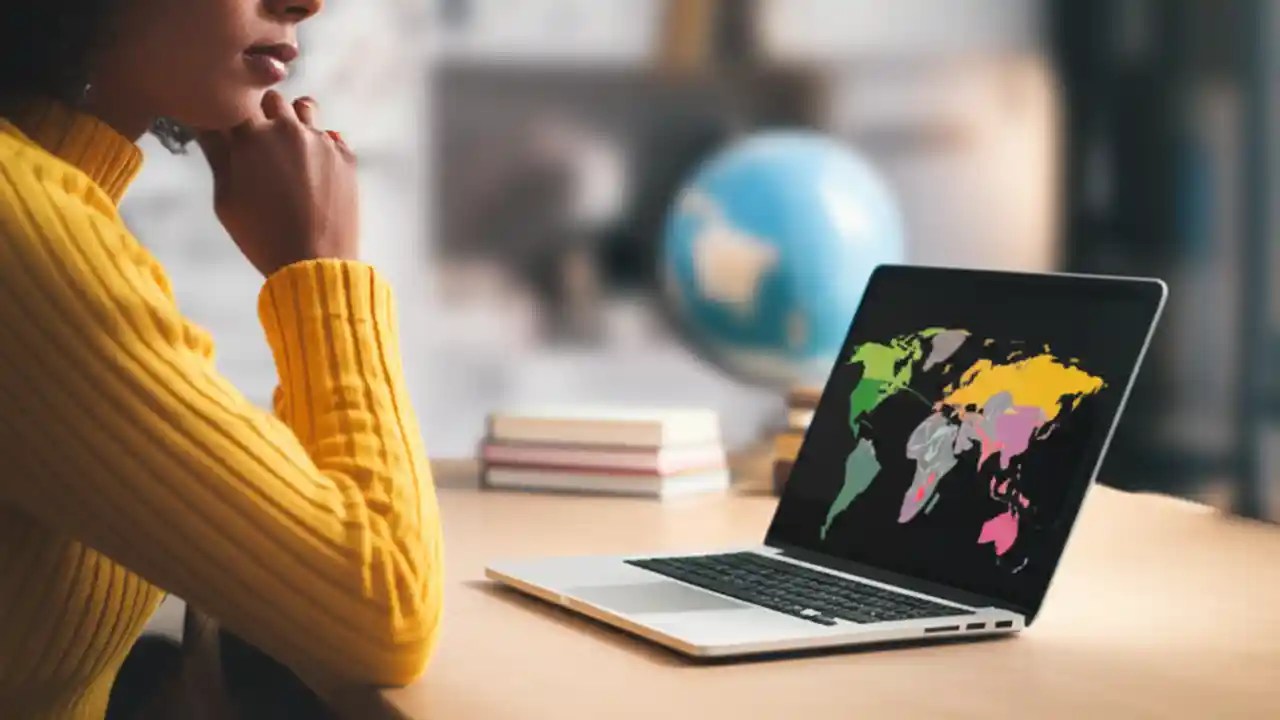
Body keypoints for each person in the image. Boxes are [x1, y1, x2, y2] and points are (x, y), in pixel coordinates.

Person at [0, 1, 444, 718]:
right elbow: (383, 606)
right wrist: (321, 268)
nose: (308, 3)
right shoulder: (21, 223)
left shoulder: (56, 199)